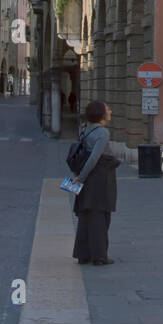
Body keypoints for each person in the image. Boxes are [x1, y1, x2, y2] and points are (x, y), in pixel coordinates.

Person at [72, 100, 119, 266]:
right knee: (100, 215)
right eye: (108, 109)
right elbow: (94, 158)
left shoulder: (85, 129)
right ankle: (99, 256)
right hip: (100, 178)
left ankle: (83, 254)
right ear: (101, 114)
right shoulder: (103, 133)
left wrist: (78, 177)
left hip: (87, 177)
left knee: (86, 215)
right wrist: (82, 177)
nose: (110, 111)